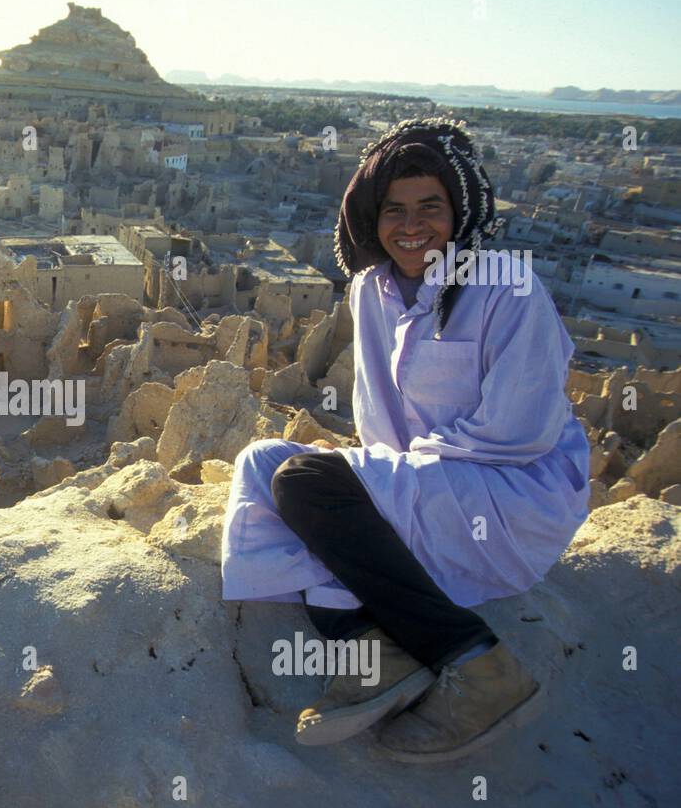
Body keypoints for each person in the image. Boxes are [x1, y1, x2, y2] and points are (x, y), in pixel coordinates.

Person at [220, 117, 590, 762]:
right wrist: (382, 477)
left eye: (431, 207)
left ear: (461, 211)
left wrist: (391, 477)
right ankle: (374, 649)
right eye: (394, 209)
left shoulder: (508, 287)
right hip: (430, 482)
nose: (412, 226)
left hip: (510, 491)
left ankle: (477, 663)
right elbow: (378, 414)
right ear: (370, 216)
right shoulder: (373, 290)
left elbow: (517, 432)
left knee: (305, 482)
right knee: (261, 463)